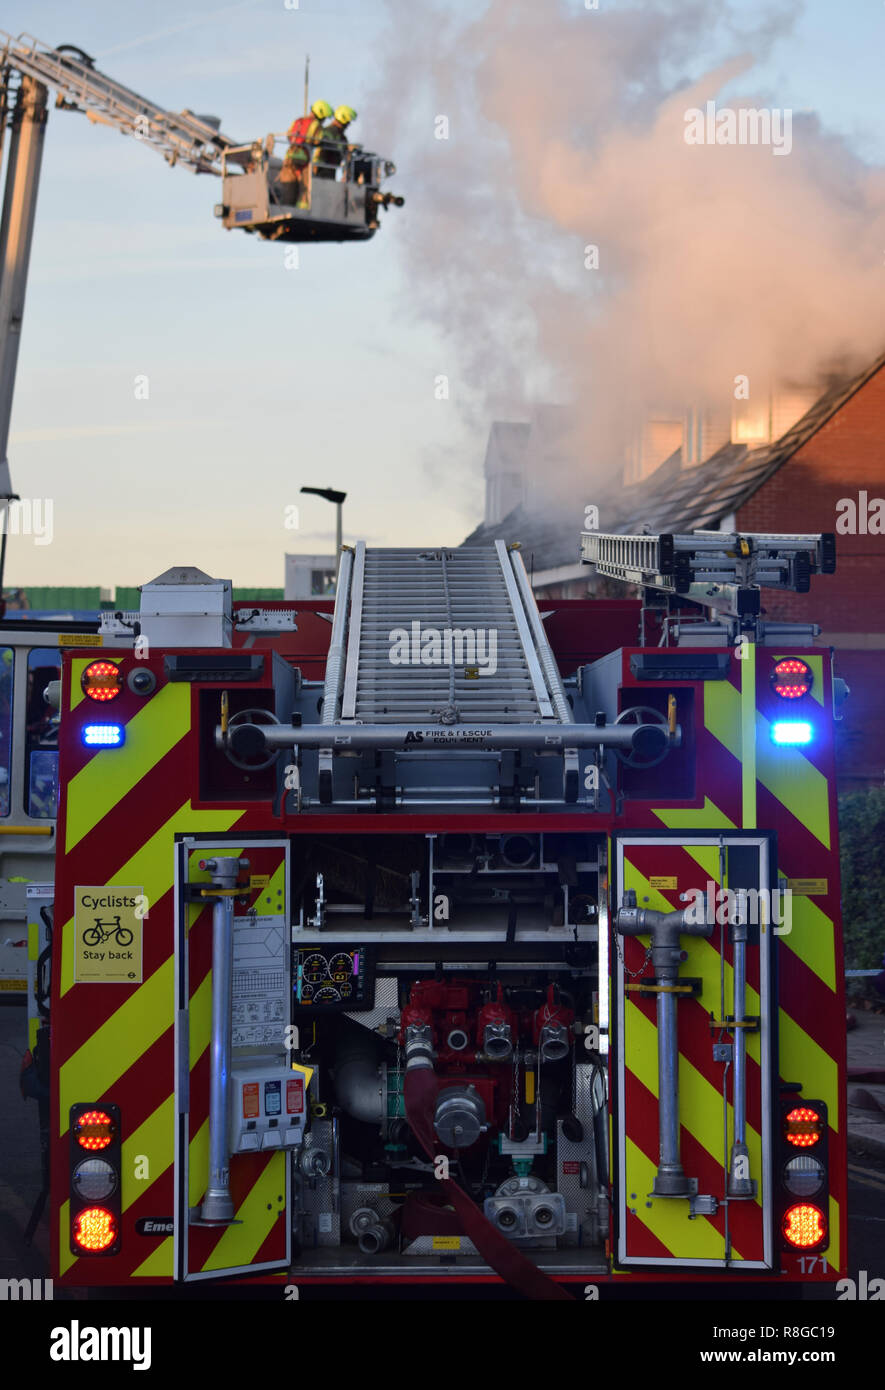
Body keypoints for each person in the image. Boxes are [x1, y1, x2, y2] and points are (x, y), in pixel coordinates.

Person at [279, 99, 333, 208]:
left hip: (289, 158)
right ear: (321, 114)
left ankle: (285, 212)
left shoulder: (298, 121)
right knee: (305, 190)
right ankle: (302, 211)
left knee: (288, 190)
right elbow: (318, 140)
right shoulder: (315, 124)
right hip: (303, 161)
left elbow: (289, 135)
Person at [314, 105, 357, 180]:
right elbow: (325, 144)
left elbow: (345, 152)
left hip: (331, 169)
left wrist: (350, 150)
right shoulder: (328, 131)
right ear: (343, 118)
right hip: (321, 167)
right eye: (347, 122)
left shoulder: (342, 137)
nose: (348, 125)